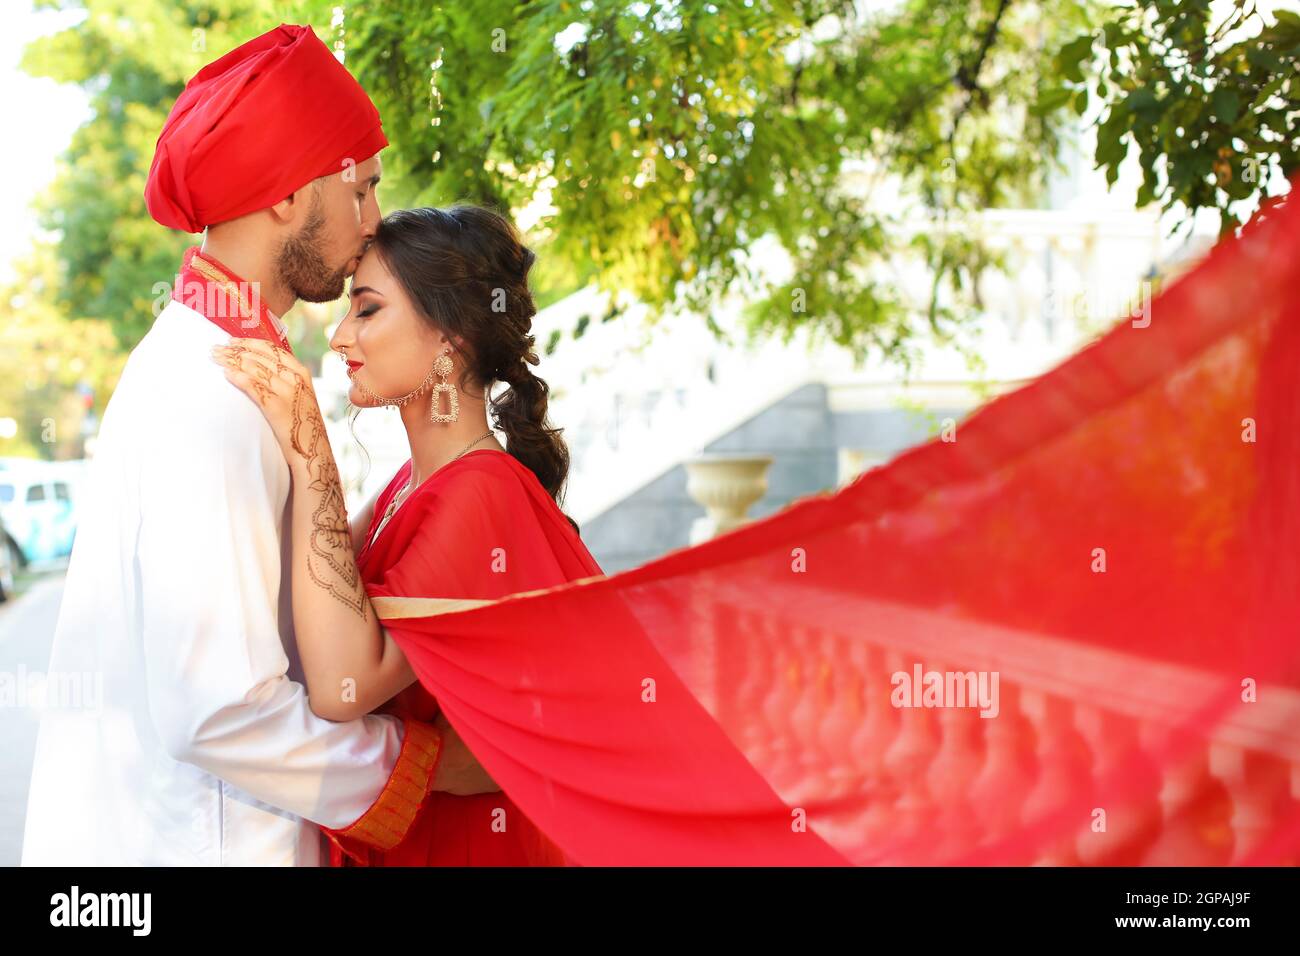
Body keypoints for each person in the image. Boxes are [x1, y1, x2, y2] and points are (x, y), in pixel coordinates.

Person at [20, 24, 490, 867]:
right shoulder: (214, 391)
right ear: (287, 195)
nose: (373, 223)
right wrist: (434, 767)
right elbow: (219, 709)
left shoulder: (219, 364)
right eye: (361, 191)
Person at [215, 204, 594, 865]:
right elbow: (312, 610)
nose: (338, 336)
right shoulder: (411, 484)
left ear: (450, 338)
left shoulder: (480, 492)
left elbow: (344, 688)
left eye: (366, 310)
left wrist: (311, 452)